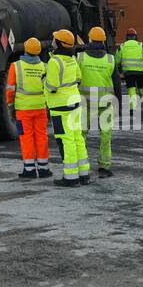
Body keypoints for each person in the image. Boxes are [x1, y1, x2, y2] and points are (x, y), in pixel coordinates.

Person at [45, 29, 90, 187]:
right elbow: (78, 79)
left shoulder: (54, 62)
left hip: (60, 106)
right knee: (78, 138)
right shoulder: (72, 59)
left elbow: (52, 86)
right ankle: (84, 174)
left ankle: (71, 177)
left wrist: (44, 79)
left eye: (54, 39)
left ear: (58, 43)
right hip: (75, 102)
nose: (52, 41)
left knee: (66, 141)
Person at [6, 37, 51, 179]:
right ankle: (44, 169)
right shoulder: (44, 66)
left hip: (23, 110)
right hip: (40, 108)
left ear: (25, 49)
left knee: (26, 138)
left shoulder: (16, 66)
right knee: (42, 137)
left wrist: (10, 105)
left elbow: (10, 90)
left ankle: (29, 169)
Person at [78, 26, 118, 178]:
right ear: (103, 41)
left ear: (89, 39)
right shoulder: (110, 59)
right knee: (106, 135)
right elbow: (116, 84)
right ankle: (104, 167)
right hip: (106, 103)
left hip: (85, 103)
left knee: (81, 135)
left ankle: (82, 165)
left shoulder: (80, 58)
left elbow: (75, 80)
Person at [116, 27, 143, 110]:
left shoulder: (121, 46)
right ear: (136, 36)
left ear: (127, 37)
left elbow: (117, 60)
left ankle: (133, 107)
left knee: (131, 89)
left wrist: (119, 70)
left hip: (128, 73)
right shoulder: (141, 46)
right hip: (141, 73)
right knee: (142, 88)